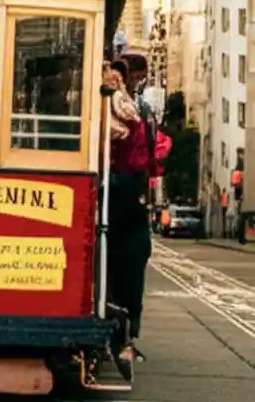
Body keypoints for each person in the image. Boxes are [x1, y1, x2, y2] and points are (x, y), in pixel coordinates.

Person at [102, 62, 157, 383]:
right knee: (130, 266)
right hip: (131, 193)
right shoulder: (137, 108)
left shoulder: (123, 108)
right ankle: (125, 335)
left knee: (121, 264)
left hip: (121, 191)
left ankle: (121, 334)